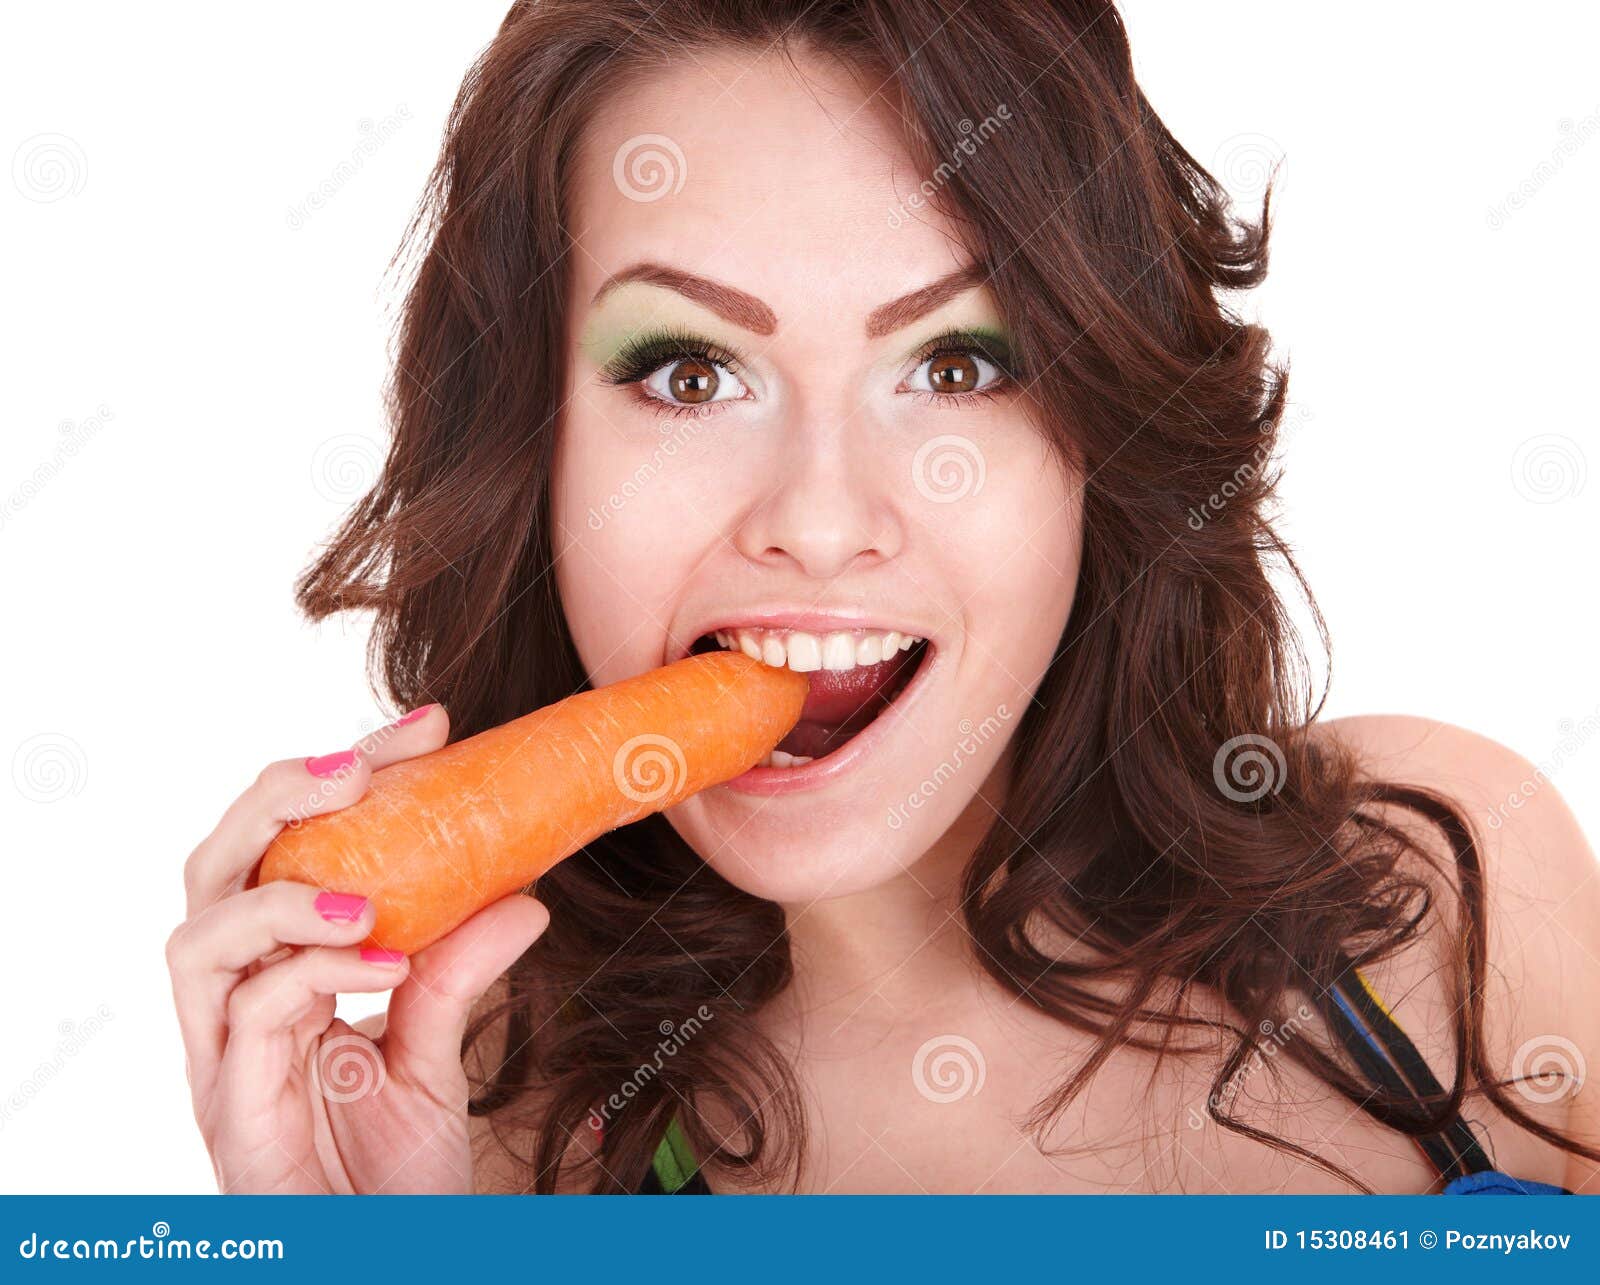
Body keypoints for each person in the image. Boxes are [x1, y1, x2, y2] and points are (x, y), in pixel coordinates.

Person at [167, 0, 1599, 1194]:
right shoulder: (495, 1123)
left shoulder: (1440, 901)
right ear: (531, 450)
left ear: (1094, 436)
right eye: (688, 371)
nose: (820, 519)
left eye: (956, 365)